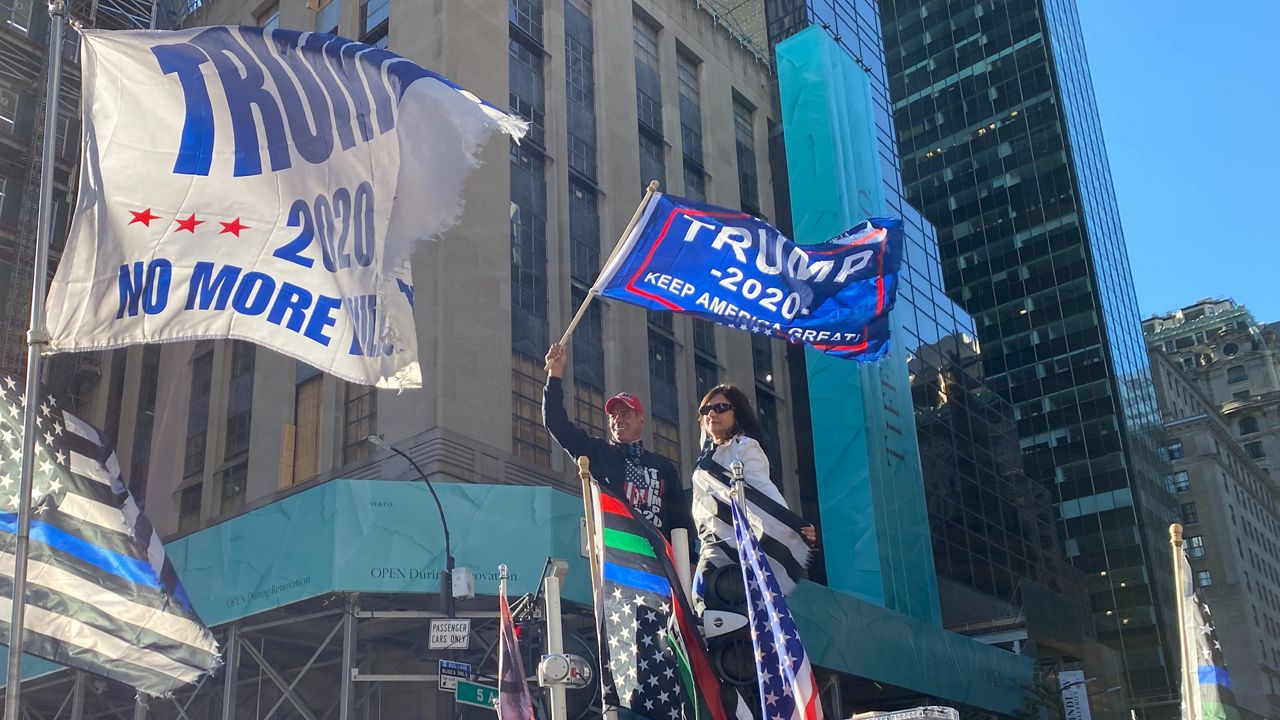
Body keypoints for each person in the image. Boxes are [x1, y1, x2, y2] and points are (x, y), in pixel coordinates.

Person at [542, 343, 693, 540]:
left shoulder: (664, 467)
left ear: (641, 419)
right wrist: (555, 374)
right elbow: (556, 422)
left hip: (660, 559)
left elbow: (681, 522)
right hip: (618, 555)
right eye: (613, 415)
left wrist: (688, 563)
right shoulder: (598, 453)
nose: (618, 419)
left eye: (625, 413)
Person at [690, 384, 816, 608]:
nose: (711, 414)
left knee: (731, 625)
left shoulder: (745, 447)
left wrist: (791, 524)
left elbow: (762, 487)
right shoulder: (705, 456)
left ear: (737, 412)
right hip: (709, 552)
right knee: (700, 621)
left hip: (734, 556)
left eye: (720, 407)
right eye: (706, 410)